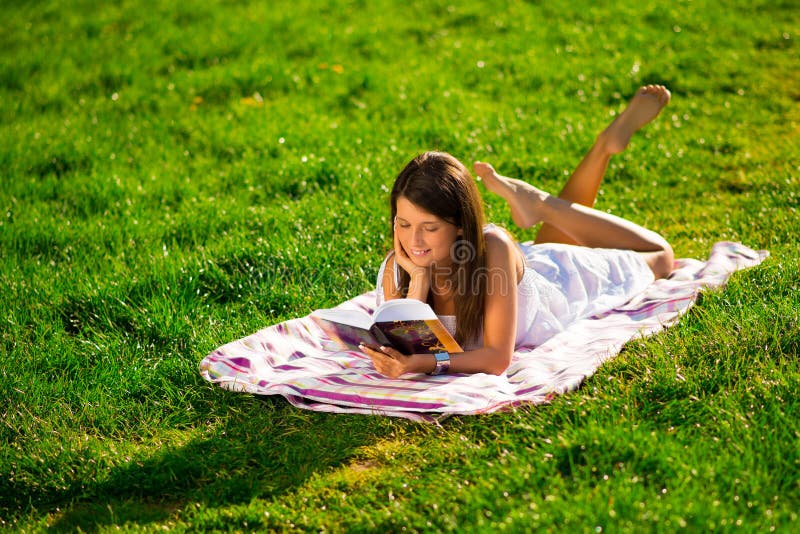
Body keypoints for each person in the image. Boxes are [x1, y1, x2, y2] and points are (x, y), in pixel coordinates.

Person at [359, 85, 675, 378]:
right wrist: (419, 281)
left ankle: (543, 203)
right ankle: (601, 148)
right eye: (403, 224)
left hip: (562, 285)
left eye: (430, 228)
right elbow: (413, 344)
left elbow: (496, 359)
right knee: (553, 239)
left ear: (460, 225)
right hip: (532, 266)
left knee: (660, 257)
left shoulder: (492, 247)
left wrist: (420, 364)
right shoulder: (397, 270)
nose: (414, 241)